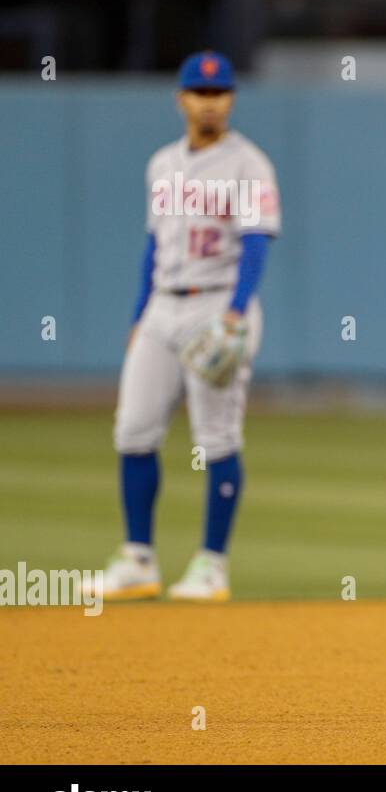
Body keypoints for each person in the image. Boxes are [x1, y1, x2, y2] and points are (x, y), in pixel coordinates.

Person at [98, 50, 280, 602]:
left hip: (218, 302)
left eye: (220, 92)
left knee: (217, 436)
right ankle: (138, 559)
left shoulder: (249, 163)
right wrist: (137, 317)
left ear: (231, 99)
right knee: (133, 430)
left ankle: (212, 565)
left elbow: (256, 243)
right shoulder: (161, 164)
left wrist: (236, 312)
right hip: (162, 306)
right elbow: (154, 246)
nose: (211, 101)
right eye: (200, 93)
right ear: (181, 99)